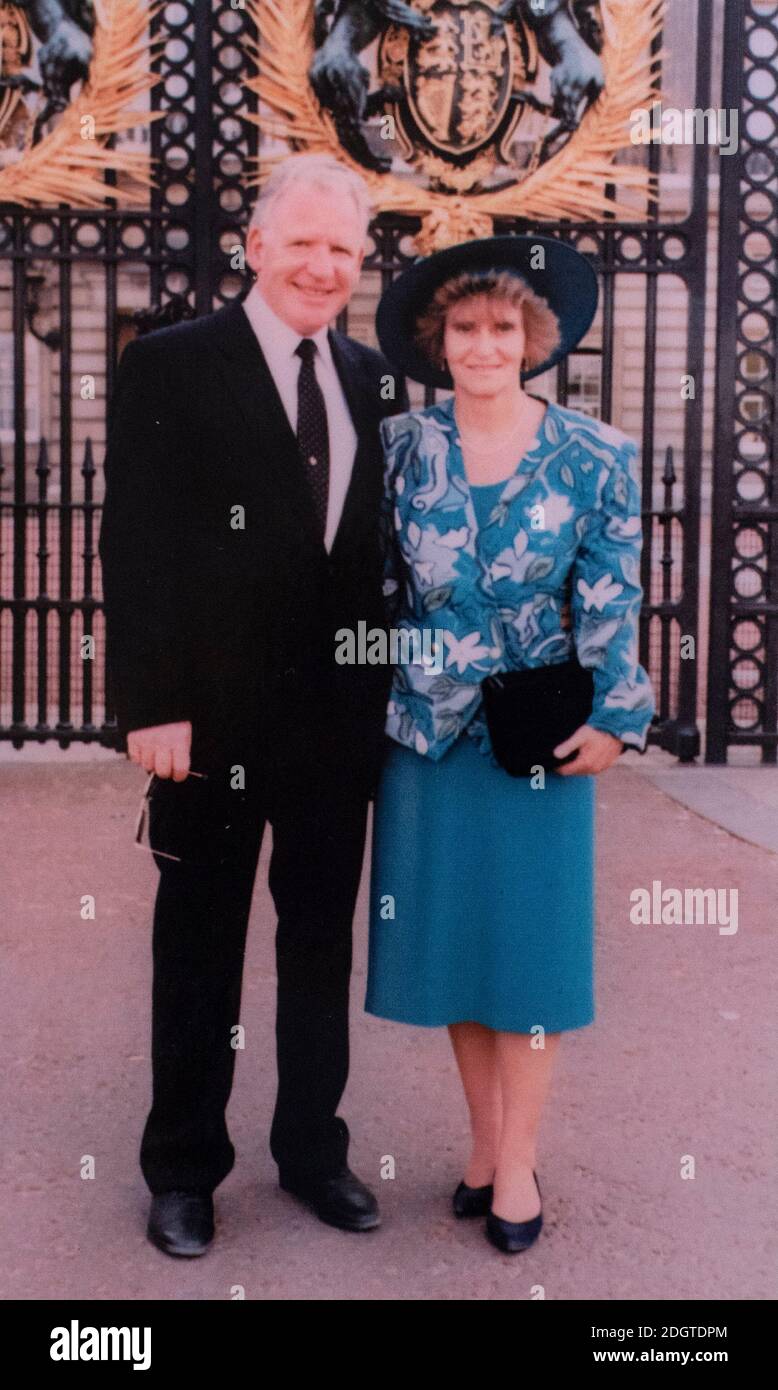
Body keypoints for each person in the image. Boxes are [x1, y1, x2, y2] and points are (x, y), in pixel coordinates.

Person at [98, 154, 407, 1256]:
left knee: (320, 944)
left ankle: (312, 1151)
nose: (324, 266)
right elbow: (134, 545)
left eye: (344, 249)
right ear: (257, 245)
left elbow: (375, 556)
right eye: (306, 242)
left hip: (336, 729)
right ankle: (182, 1167)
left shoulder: (374, 376)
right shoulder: (173, 364)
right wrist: (154, 703)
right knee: (199, 946)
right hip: (208, 725)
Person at [367, 235, 655, 1253]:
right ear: (436, 341)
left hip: (540, 737)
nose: (482, 345)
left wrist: (618, 716)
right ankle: (482, 1146)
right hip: (428, 731)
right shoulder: (399, 449)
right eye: (463, 328)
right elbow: (378, 585)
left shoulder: (596, 455)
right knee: (458, 947)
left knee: (530, 954)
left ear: (532, 340)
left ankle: (520, 1164)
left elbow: (613, 598)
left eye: (501, 328)